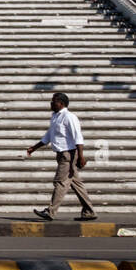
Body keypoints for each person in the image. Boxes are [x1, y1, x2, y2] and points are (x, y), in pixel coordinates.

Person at [28, 92, 97, 221]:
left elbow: (78, 137)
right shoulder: (55, 117)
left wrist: (81, 157)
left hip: (69, 154)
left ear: (61, 103)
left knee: (60, 182)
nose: (50, 103)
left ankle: (50, 211)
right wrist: (34, 148)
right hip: (61, 155)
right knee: (76, 183)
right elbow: (48, 136)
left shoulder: (69, 117)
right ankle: (89, 211)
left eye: (53, 101)